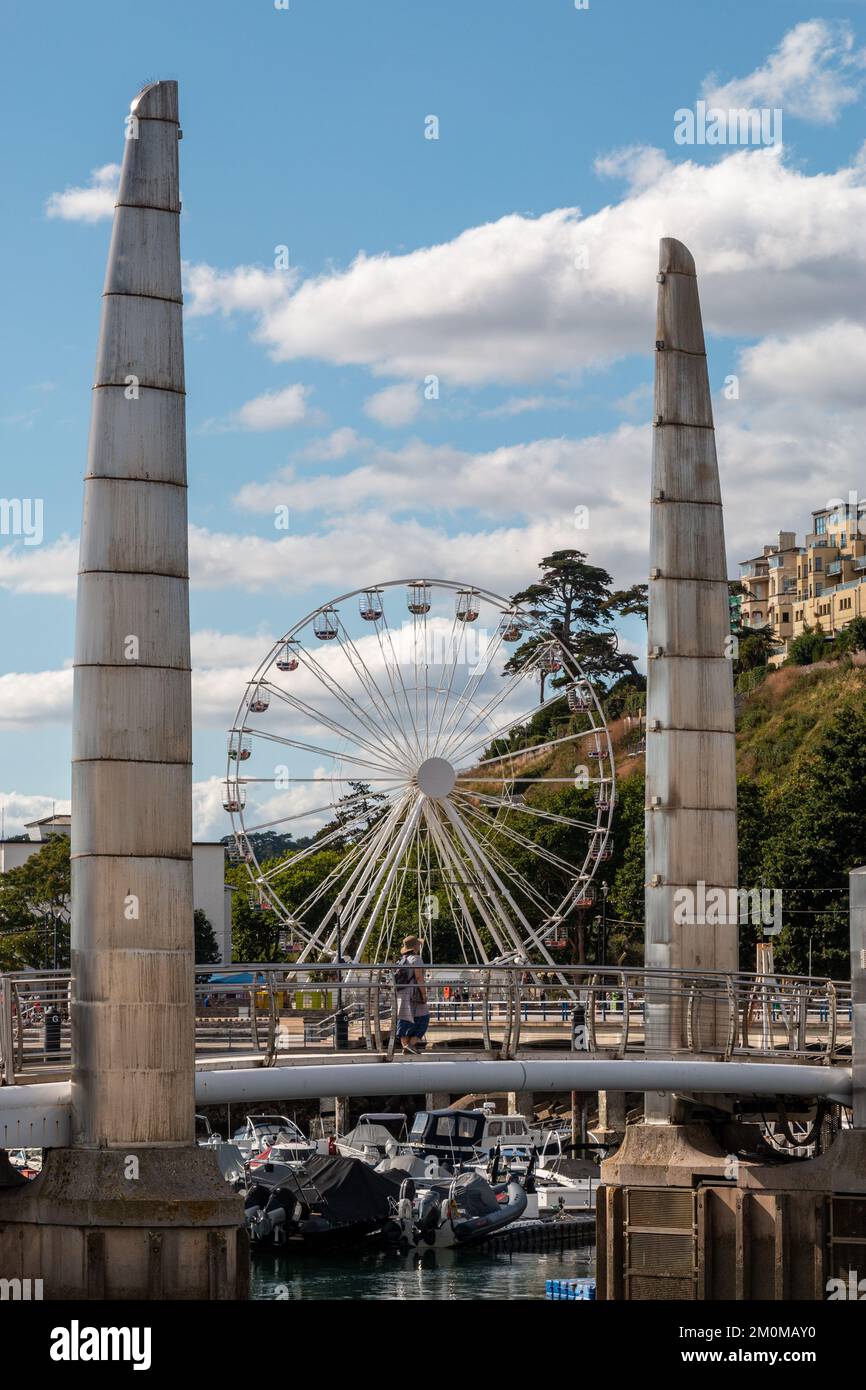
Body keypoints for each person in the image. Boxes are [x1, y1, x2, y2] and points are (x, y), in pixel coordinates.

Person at [395, 934, 430, 1054]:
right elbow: (419, 977)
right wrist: (424, 994)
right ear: (415, 947)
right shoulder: (416, 959)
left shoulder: (402, 960)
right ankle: (410, 1044)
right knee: (424, 1018)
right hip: (413, 994)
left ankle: (405, 1046)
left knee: (403, 1020)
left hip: (401, 995)